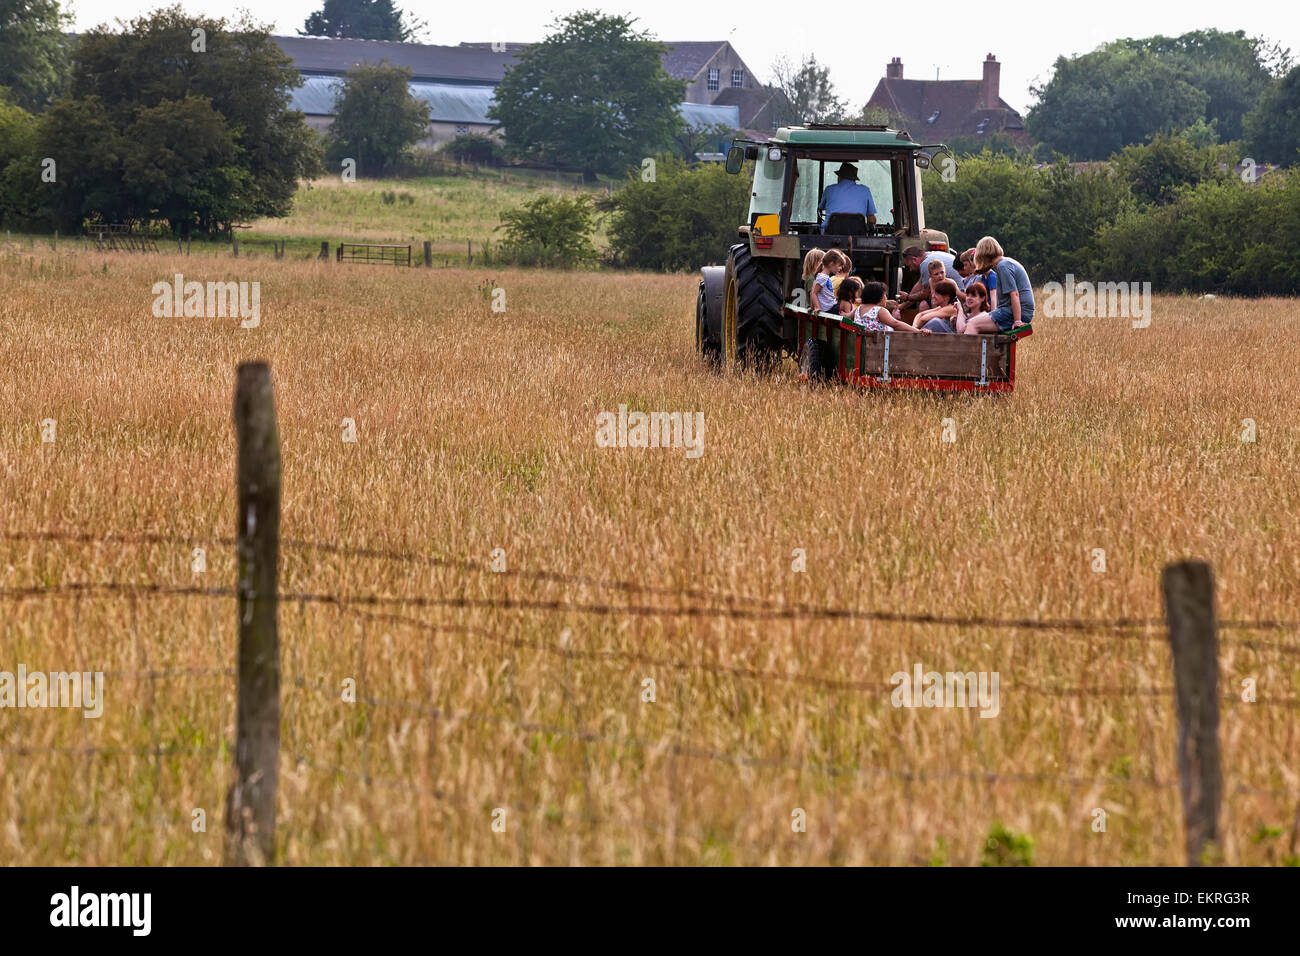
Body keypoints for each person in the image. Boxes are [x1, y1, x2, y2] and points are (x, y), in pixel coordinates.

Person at [966, 236, 1033, 334]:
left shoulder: (1003, 266)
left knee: (972, 324)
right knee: (973, 322)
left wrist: (1017, 320)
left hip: (1015, 313)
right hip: (1013, 311)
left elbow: (1014, 294)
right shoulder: (1005, 263)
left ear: (984, 255)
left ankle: (969, 350)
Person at [818, 162, 877, 233]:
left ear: (840, 177)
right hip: (857, 237)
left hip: (830, 237)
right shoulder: (865, 190)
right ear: (854, 179)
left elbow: (821, 207)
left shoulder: (829, 189)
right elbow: (871, 220)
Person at [855, 281, 931, 333]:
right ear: (880, 297)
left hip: (859, 345)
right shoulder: (879, 310)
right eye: (885, 295)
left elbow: (846, 315)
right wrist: (917, 331)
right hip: (876, 346)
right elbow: (896, 324)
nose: (886, 298)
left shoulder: (858, 309)